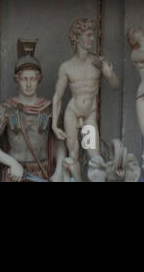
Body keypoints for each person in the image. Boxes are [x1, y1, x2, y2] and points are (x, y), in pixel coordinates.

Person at [52, 18, 120, 173]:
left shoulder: (98, 63)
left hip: (89, 114)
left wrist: (109, 75)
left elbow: (116, 86)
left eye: (93, 35)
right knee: (73, 154)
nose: (92, 38)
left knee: (94, 155)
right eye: (88, 35)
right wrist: (55, 125)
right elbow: (57, 97)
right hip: (73, 113)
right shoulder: (67, 67)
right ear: (76, 37)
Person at [0, 51, 56, 181]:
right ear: (17, 80)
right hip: (14, 173)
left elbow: (59, 141)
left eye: (32, 79)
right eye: (24, 79)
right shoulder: (6, 108)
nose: (28, 84)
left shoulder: (48, 108)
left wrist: (59, 169)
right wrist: (12, 163)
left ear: (39, 80)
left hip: (41, 171)